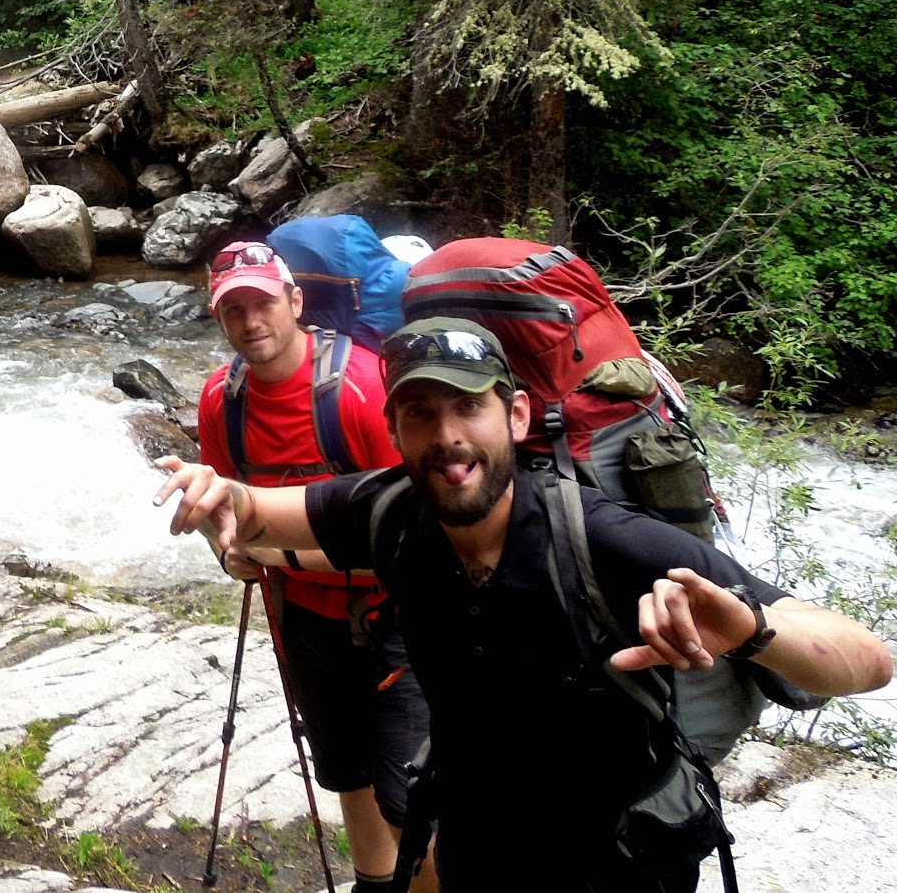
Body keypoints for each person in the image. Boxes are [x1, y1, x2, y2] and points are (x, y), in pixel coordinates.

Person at [157, 317, 892, 892]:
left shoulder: (602, 539)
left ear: (513, 415)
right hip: (476, 847)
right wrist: (221, 492)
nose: (448, 437)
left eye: (468, 407)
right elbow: (261, 510)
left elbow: (869, 660)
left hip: (620, 862)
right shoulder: (391, 511)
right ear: (394, 429)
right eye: (420, 413)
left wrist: (751, 630)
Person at [198, 241, 431, 890]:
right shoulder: (221, 398)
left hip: (393, 622)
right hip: (299, 621)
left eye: (264, 303)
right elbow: (223, 509)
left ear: (295, 301)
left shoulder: (360, 388)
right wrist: (228, 553)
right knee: (345, 771)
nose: (251, 321)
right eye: (234, 309)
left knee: (412, 802)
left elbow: (411, 533)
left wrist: (268, 552)